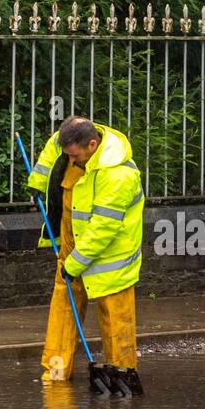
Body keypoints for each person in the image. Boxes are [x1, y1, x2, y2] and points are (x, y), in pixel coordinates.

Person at [28, 115, 143, 391]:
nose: (69, 159)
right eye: (67, 154)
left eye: (74, 156)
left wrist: (74, 263)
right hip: (71, 248)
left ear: (92, 145)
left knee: (116, 322)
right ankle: (55, 373)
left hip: (110, 261)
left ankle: (122, 376)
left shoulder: (118, 176)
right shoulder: (69, 141)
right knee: (62, 314)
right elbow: (53, 148)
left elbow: (102, 230)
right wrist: (38, 182)